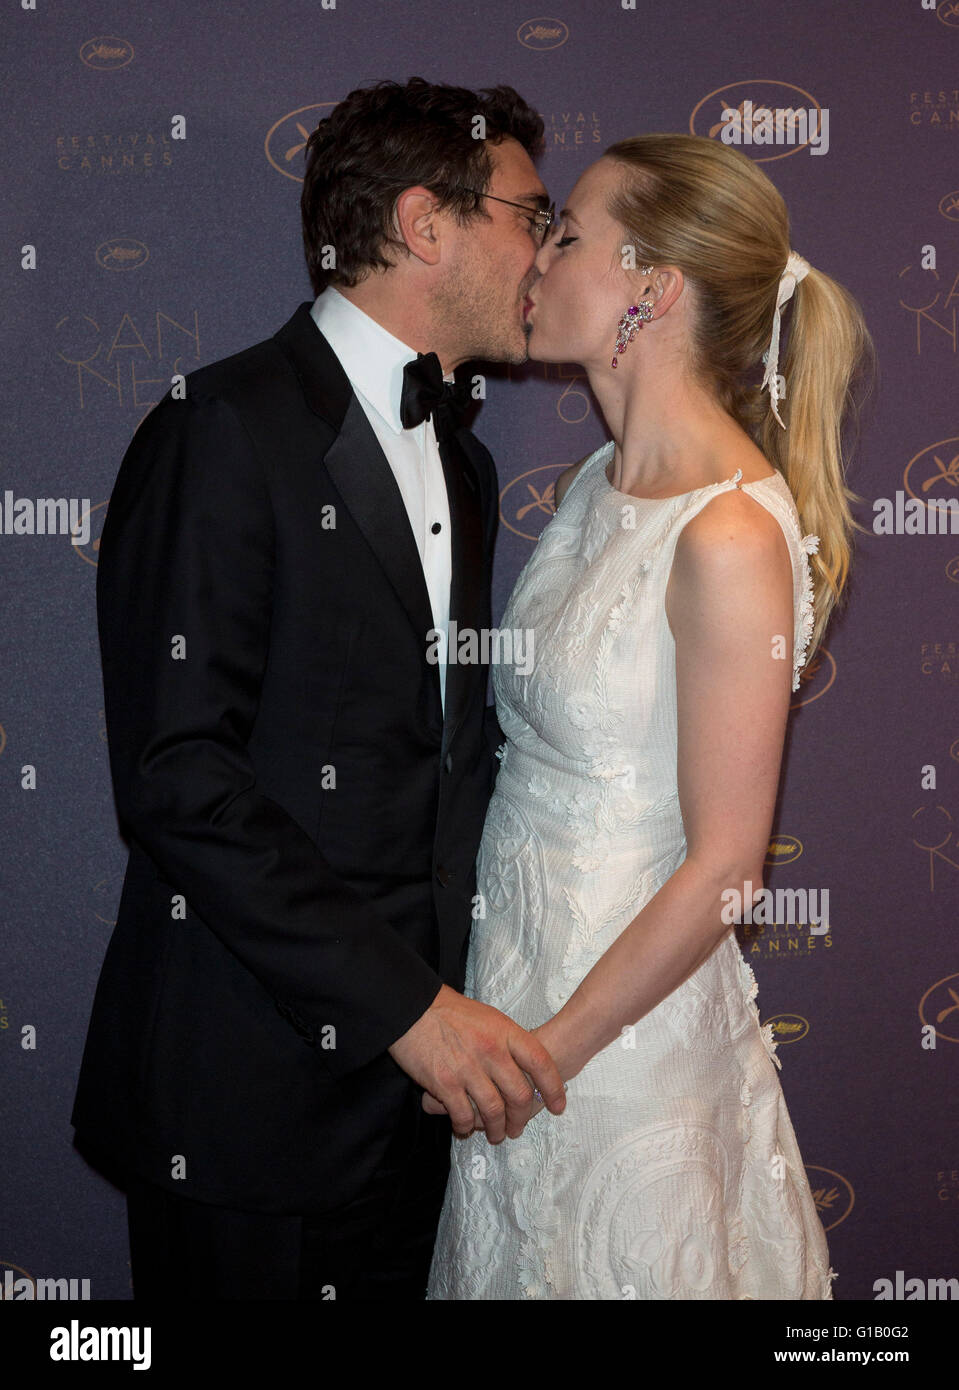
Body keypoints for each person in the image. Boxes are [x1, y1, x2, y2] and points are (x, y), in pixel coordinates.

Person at [70, 76, 567, 1302]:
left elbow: (442, 767)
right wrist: (411, 1009)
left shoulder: (462, 450)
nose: (547, 250)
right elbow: (179, 776)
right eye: (528, 213)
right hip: (246, 1103)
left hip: (418, 1116)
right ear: (423, 223)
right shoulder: (221, 429)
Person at [426, 133, 874, 1300]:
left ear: (650, 289)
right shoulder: (591, 485)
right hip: (510, 1000)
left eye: (564, 232)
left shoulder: (727, 537)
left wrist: (543, 1058)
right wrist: (498, 1040)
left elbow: (728, 865)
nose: (535, 258)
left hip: (613, 1056)